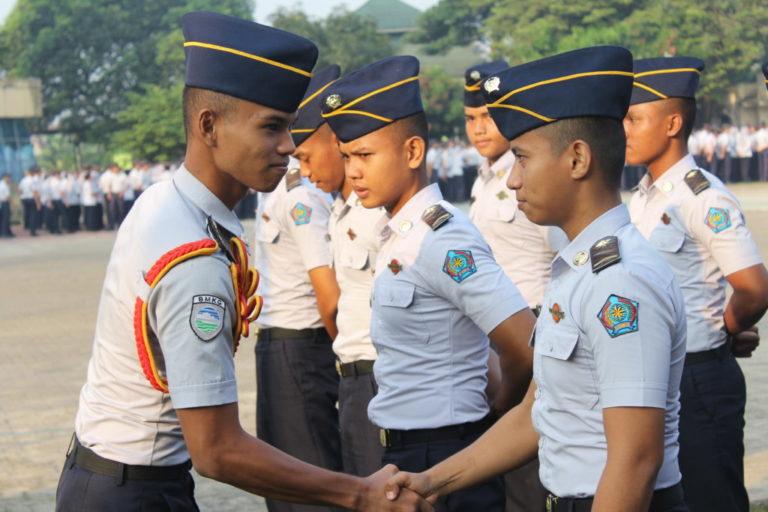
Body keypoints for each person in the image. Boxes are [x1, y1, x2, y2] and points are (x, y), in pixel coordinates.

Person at [55, 11, 430, 512]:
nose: (288, 146)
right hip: (132, 489)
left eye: (290, 128)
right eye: (271, 128)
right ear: (209, 125)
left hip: (116, 476)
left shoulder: (169, 202)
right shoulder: (194, 260)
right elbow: (217, 450)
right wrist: (358, 493)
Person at [386, 45, 690, 512]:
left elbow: (635, 459)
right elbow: (535, 413)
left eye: (523, 159)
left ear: (576, 160)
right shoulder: (576, 268)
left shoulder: (620, 282)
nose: (512, 180)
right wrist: (431, 482)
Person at [320, 55, 537, 512]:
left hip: (445, 456)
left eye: (365, 155)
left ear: (413, 152)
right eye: (346, 157)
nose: (353, 170)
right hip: (406, 451)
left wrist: (498, 412)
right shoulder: (399, 233)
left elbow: (523, 345)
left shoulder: (441, 238)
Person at [624, 56, 768, 512]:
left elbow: (754, 286)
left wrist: (724, 327)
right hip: (655, 375)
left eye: (634, 118)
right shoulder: (644, 196)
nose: (624, 129)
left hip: (697, 375)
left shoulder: (700, 195)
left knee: (712, 498)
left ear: (671, 123)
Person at [464, 59, 564, 512]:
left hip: (538, 334)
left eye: (489, 115)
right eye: (471, 119)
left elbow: (568, 258)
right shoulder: (485, 181)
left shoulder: (530, 176)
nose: (480, 128)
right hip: (498, 342)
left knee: (532, 481)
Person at [251, 71, 342, 512]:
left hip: (303, 348)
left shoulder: (301, 195)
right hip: (282, 347)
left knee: (311, 481)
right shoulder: (283, 186)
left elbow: (329, 294)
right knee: (286, 481)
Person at [292, 64, 388, 478]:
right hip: (352, 380)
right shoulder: (340, 211)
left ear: (335, 142)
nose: (307, 173)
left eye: (307, 158)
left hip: (379, 377)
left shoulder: (381, 215)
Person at [0, 173, 13, 238]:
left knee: (2, 218)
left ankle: (3, 232)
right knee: (5, 218)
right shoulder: (4, 185)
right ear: (5, 177)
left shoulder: (1, 184)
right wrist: (11, 204)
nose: (9, 179)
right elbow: (8, 197)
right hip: (5, 203)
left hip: (1, 203)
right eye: (9, 178)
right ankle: (4, 233)